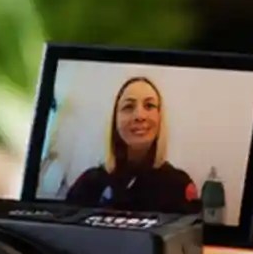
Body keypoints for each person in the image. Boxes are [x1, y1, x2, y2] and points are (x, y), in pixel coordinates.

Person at [65, 76, 198, 213]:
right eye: (128, 106)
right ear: (115, 120)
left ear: (160, 117)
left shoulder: (178, 185)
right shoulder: (88, 184)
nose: (139, 116)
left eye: (149, 106)